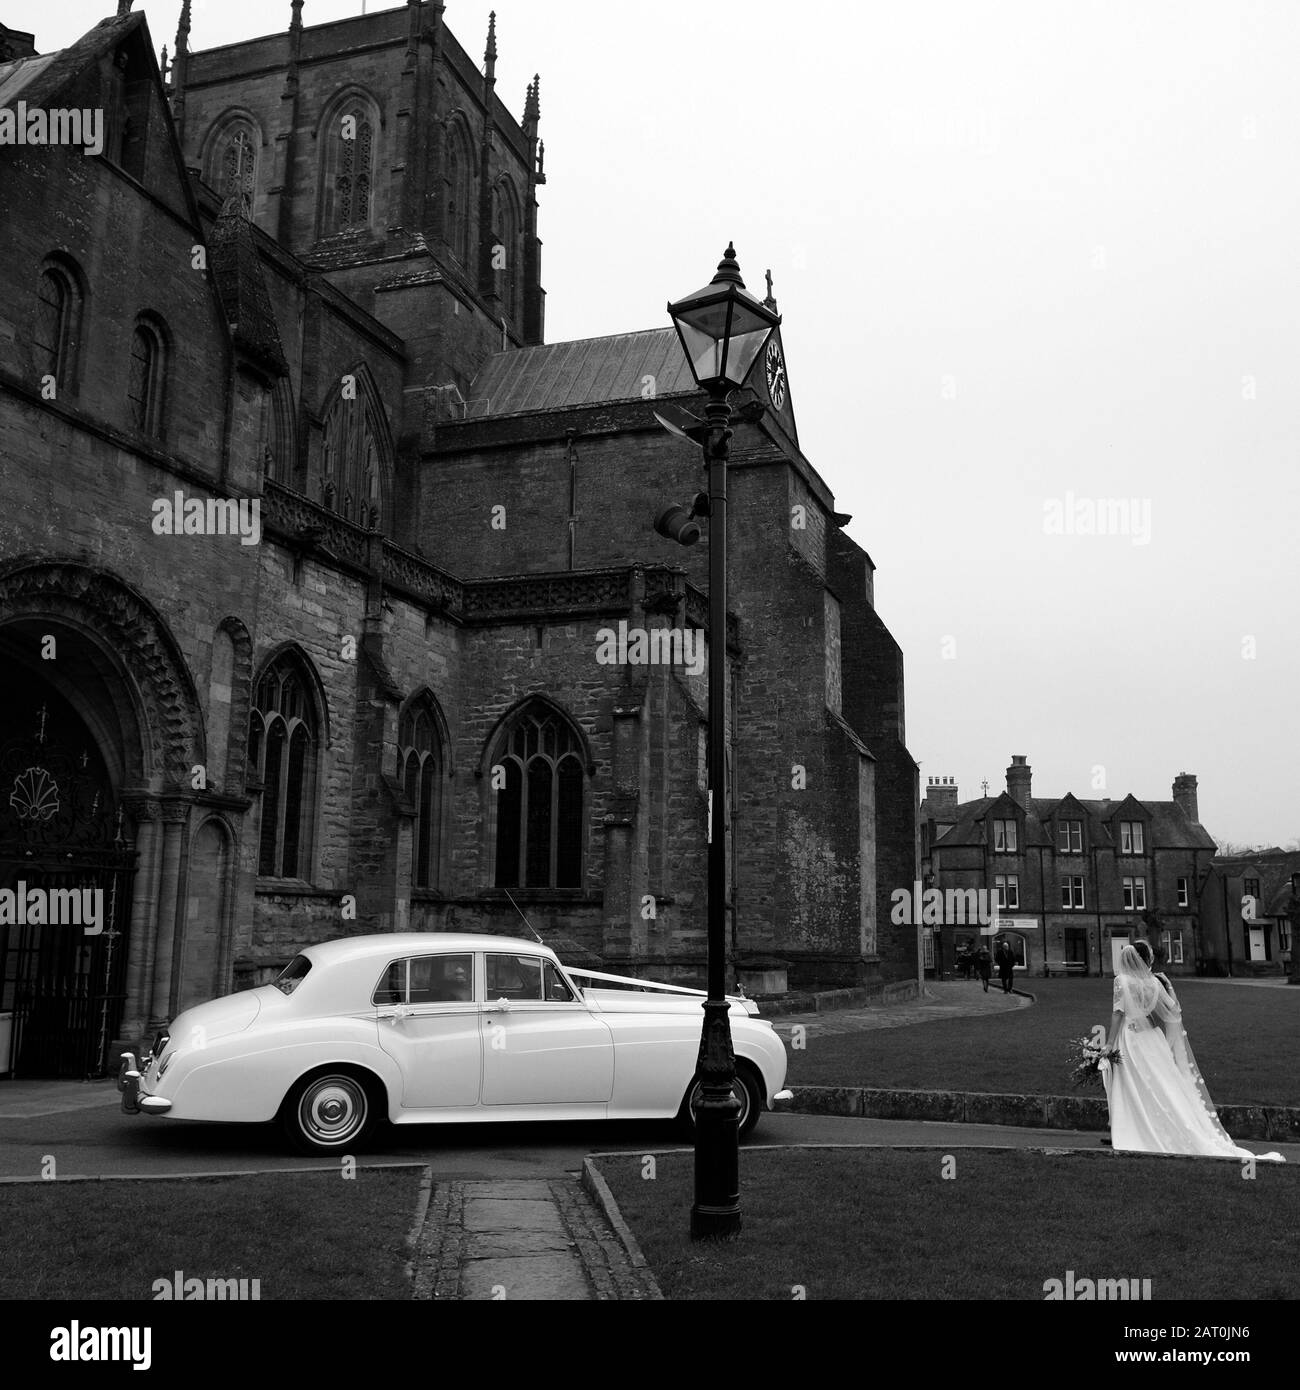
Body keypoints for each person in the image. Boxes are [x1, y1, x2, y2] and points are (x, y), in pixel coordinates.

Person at [1100, 941, 1284, 1161]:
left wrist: (1109, 1043)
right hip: (1151, 1037)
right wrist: (1169, 988)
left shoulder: (1121, 981)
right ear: (1144, 959)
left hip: (1129, 1037)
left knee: (1131, 1083)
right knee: (1161, 1085)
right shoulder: (1154, 983)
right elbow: (1173, 1011)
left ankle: (1131, 1127)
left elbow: (1118, 1013)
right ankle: (1148, 1125)